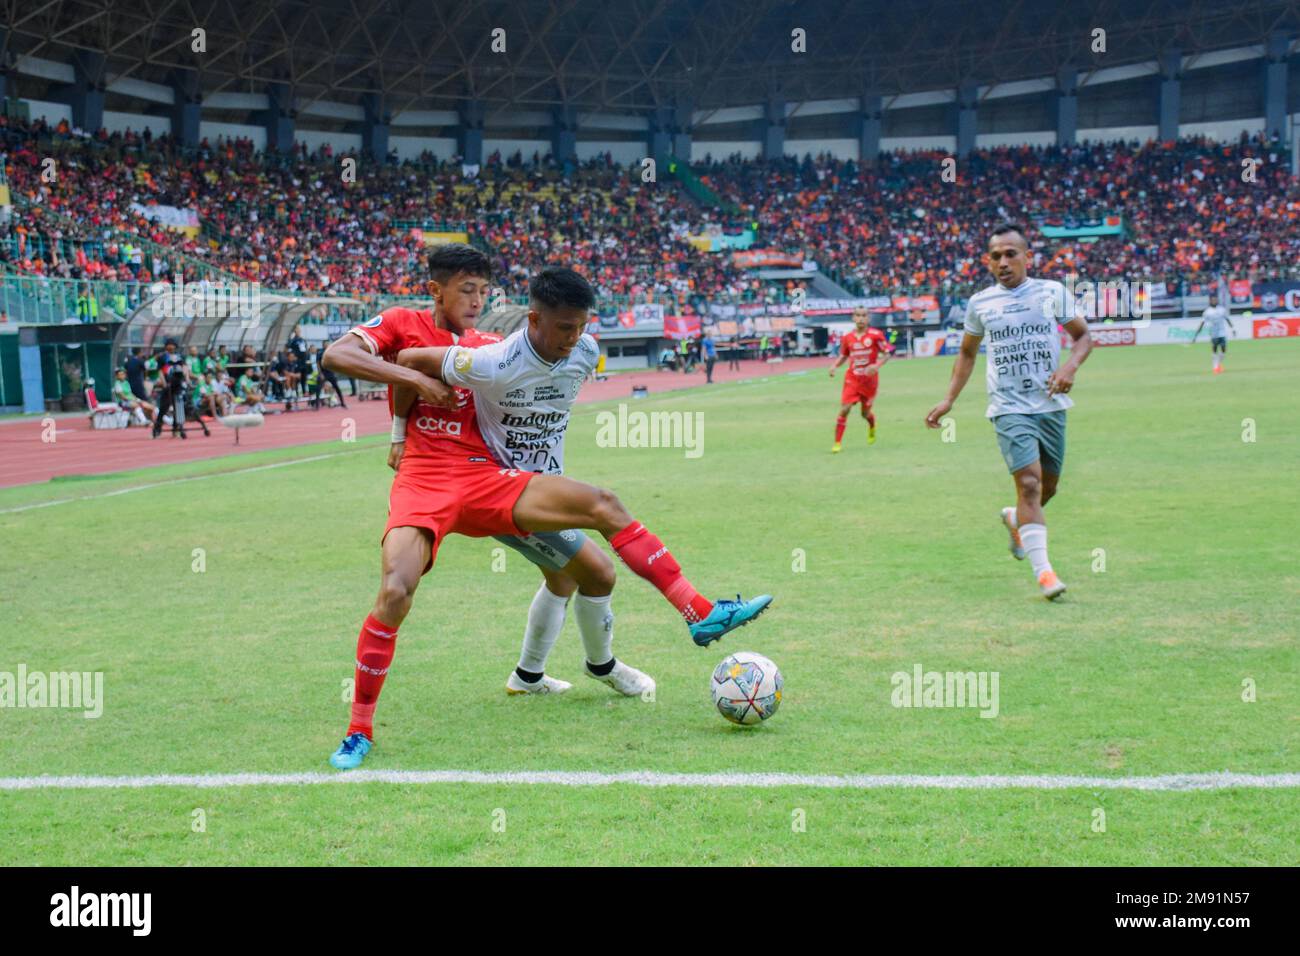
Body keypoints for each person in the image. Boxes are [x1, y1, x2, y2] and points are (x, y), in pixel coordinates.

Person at [322, 256, 769, 770]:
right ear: (436, 291)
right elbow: (346, 356)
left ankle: (569, 663)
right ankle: (359, 729)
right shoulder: (406, 323)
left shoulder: (489, 346)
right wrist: (405, 419)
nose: (477, 301)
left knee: (591, 557)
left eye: (484, 292)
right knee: (395, 590)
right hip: (425, 478)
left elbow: (471, 370)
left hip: (488, 476)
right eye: (467, 290)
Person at [924, 222, 1093, 600]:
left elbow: (1083, 336)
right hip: (1008, 406)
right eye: (996, 256)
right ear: (988, 261)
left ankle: (1015, 519)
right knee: (1029, 484)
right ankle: (1045, 573)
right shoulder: (981, 303)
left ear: (1027, 257)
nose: (1003, 261)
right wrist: (949, 399)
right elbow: (967, 353)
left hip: (1050, 404)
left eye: (1010, 254)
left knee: (1048, 487)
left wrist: (1069, 368)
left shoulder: (1051, 292)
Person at [828, 306, 893, 452]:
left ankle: (871, 425)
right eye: (858, 315)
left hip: (869, 381)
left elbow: (887, 353)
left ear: (868, 318)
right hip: (852, 379)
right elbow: (844, 355)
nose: (861, 319)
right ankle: (837, 443)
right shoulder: (847, 338)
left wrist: (876, 366)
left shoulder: (876, 335)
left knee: (865, 413)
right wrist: (834, 366)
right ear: (853, 318)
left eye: (864, 316)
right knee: (845, 409)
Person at [1191, 291, 1236, 374]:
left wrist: (1232, 329)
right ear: (1210, 301)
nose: (1215, 301)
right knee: (1214, 350)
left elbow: (1227, 319)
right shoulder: (1207, 312)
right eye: (1213, 300)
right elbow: (1202, 323)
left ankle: (1218, 365)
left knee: (1223, 350)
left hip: (1222, 332)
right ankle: (1215, 367)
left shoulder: (1222, 310)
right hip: (1213, 334)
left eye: (1216, 300)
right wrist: (1196, 335)